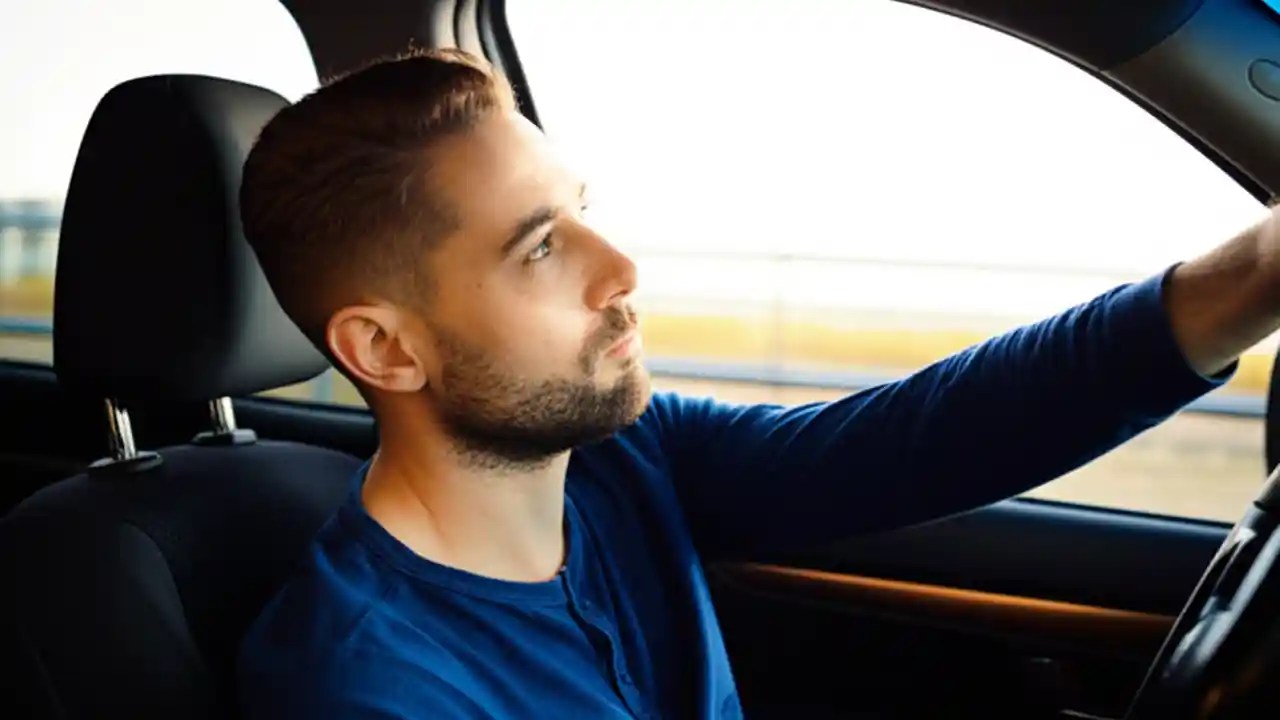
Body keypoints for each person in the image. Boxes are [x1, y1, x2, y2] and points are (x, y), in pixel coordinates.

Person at [235, 47, 1277, 719]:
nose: (620, 268)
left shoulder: (621, 458)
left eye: (583, 208)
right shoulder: (364, 687)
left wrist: (1254, 278)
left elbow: (925, 434)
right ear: (384, 351)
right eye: (542, 246)